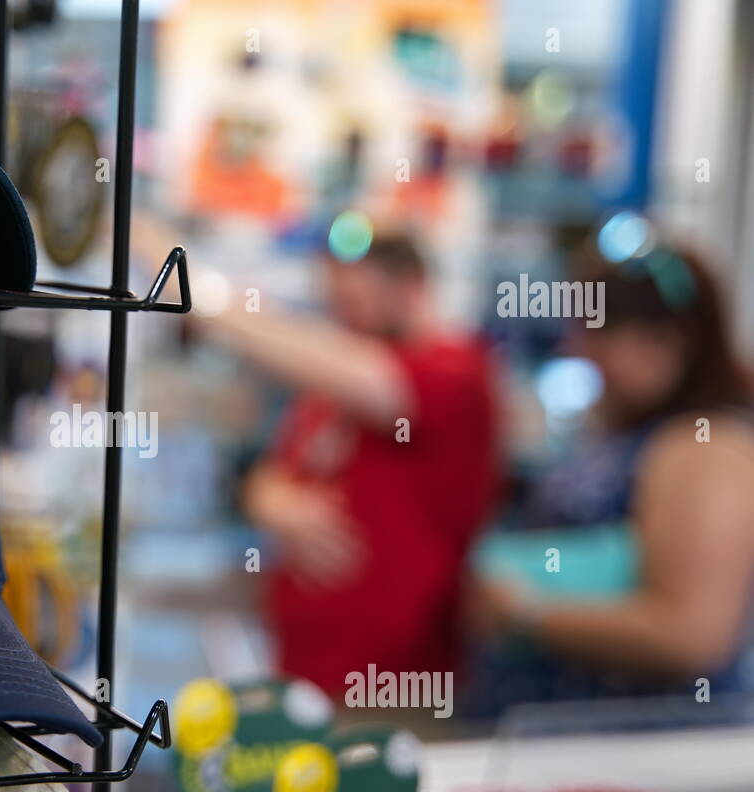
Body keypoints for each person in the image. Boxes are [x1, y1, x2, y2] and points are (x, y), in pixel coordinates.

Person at [193, 230, 499, 698]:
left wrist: (191, 290)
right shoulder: (331, 395)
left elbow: (342, 368)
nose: (344, 316)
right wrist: (272, 502)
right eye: (336, 299)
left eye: (357, 299)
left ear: (411, 287)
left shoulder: (452, 372)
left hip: (396, 682)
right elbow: (272, 475)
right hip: (305, 672)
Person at [469, 242, 754, 713]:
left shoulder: (703, 449)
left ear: (668, 341)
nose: (579, 349)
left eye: (598, 335)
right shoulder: (640, 435)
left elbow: (692, 634)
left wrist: (526, 613)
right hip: (571, 737)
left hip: (631, 749)